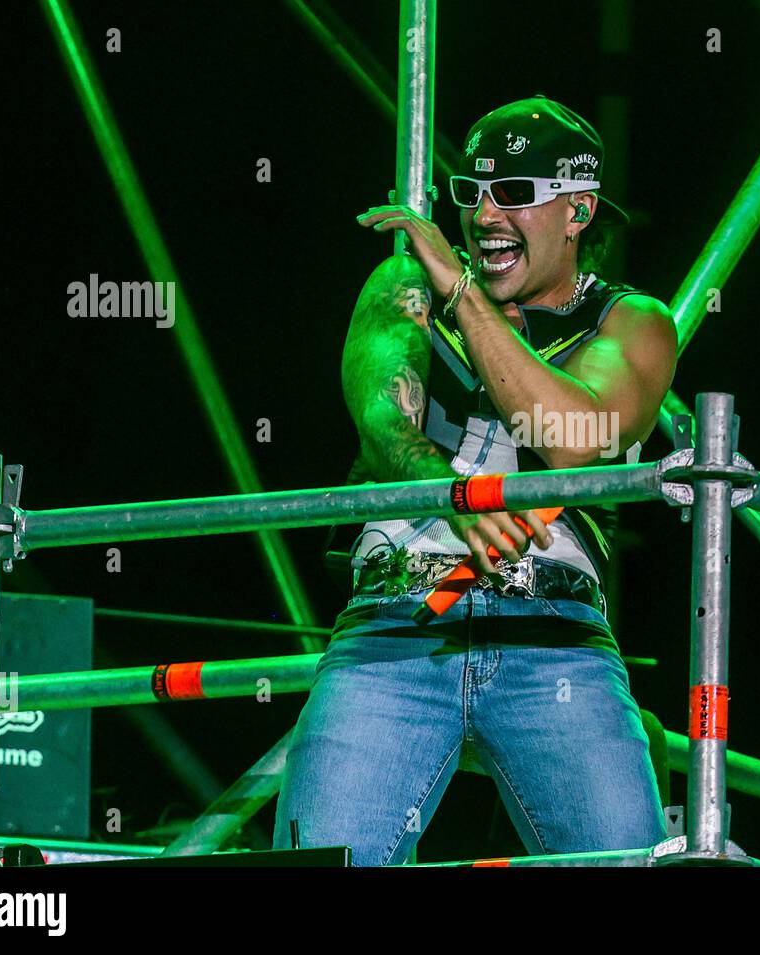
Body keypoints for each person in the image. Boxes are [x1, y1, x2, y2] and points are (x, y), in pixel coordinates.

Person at [273, 95, 678, 865]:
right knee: (320, 862)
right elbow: (381, 417)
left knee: (627, 862)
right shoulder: (407, 287)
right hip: (396, 622)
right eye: (473, 193)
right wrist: (453, 495)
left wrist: (463, 295)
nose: (486, 216)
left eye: (515, 195)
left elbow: (572, 440)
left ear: (578, 210)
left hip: (555, 636)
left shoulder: (632, 320)